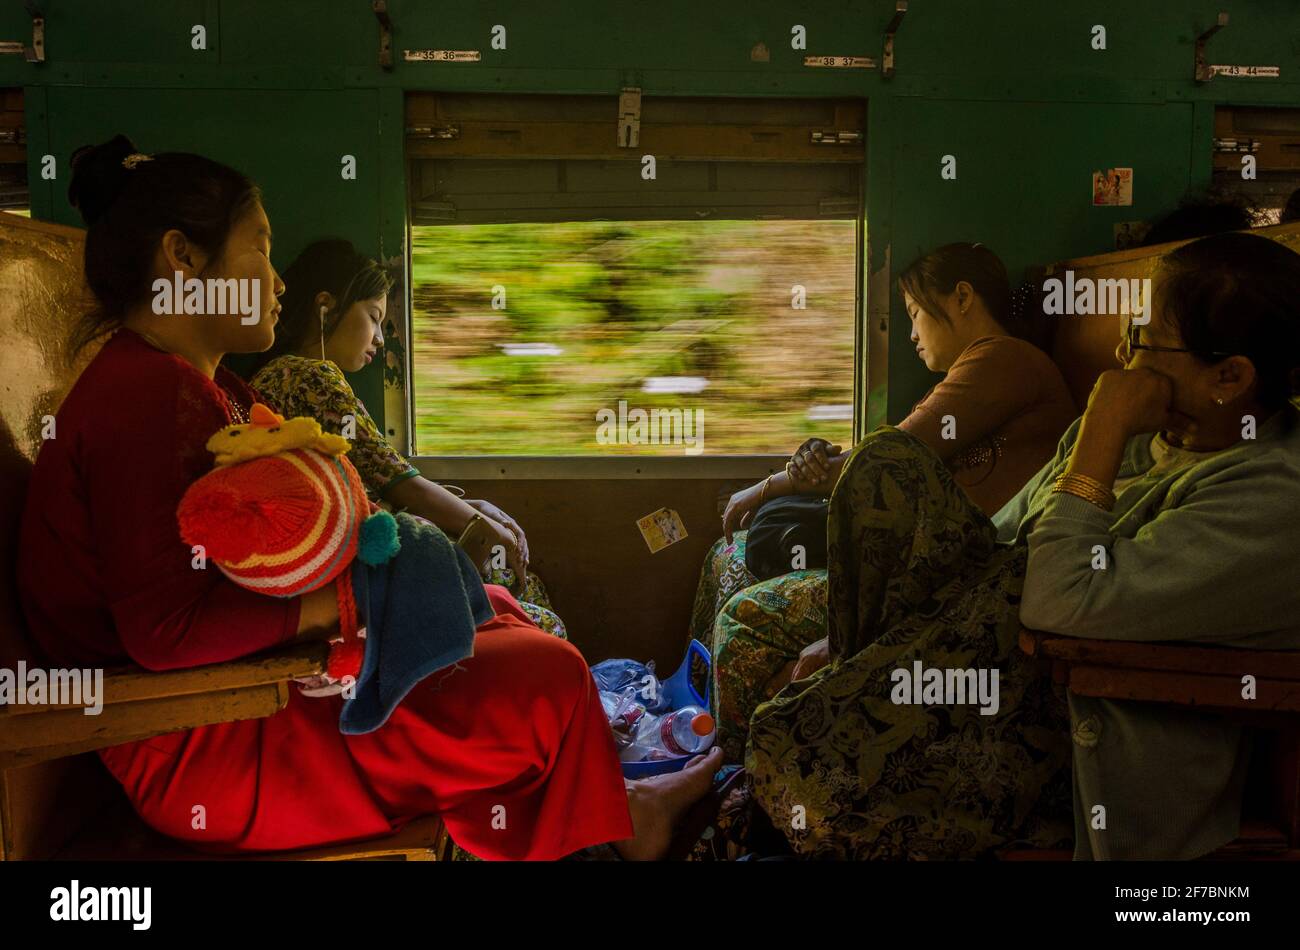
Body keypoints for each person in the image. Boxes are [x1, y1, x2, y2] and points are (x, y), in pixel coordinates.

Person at [18, 134, 720, 862]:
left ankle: (595, 809)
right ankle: (617, 827)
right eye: (259, 249)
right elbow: (163, 632)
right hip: (208, 744)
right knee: (553, 676)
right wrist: (337, 608)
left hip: (247, 702)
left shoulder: (206, 388)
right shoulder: (143, 396)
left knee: (503, 616)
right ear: (183, 258)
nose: (278, 280)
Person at [730, 231, 1300, 859]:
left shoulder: (1270, 499)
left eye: (1141, 340)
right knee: (883, 473)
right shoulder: (1141, 438)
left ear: (1229, 376)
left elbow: (1057, 598)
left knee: (803, 757)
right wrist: (860, 643)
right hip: (990, 669)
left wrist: (1101, 434)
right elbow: (996, 542)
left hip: (1076, 745)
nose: (1119, 353)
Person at [692, 243, 1077, 762]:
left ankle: (732, 769)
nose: (913, 334)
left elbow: (883, 460)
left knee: (741, 614)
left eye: (916, 314)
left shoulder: (1003, 360)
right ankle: (701, 730)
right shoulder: (976, 373)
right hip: (930, 562)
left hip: (962, 580)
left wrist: (772, 486)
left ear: (962, 297)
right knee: (727, 560)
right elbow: (883, 460)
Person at [247, 239, 565, 637]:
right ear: (325, 306)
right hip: (364, 564)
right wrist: (484, 525)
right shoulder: (309, 376)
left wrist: (473, 505)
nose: (380, 338)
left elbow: (382, 474)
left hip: (355, 555)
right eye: (373, 316)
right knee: (541, 616)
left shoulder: (277, 375)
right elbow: (394, 478)